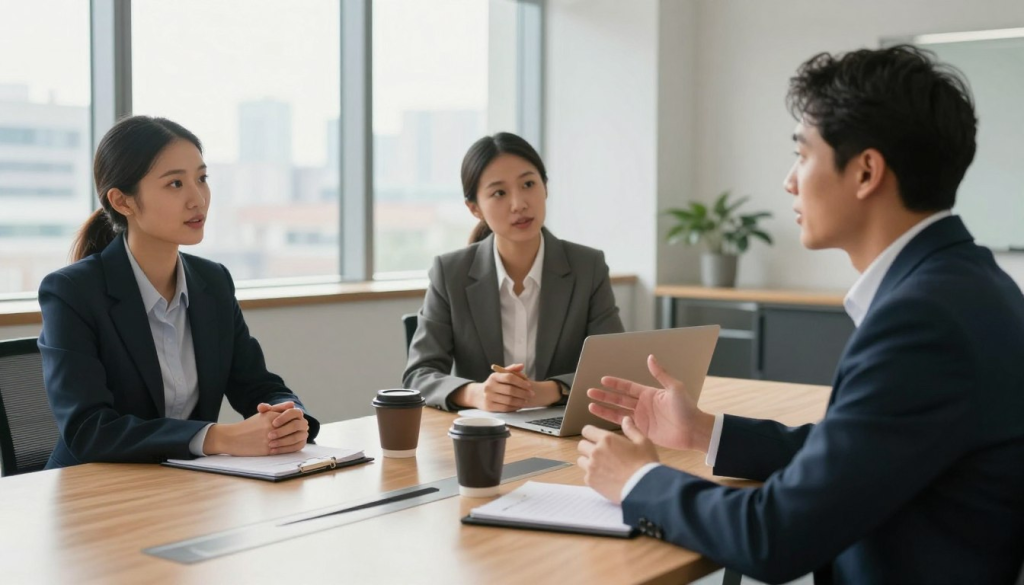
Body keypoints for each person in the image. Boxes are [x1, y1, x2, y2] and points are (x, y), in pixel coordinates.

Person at [577, 46, 1024, 583]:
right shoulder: (969, 285)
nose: (790, 181)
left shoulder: (923, 322)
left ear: (865, 172)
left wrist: (637, 481)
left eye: (803, 155)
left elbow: (774, 536)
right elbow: (856, 450)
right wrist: (702, 430)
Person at [38, 116, 320, 469]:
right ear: (123, 202)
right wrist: (217, 437)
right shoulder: (72, 292)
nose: (197, 198)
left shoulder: (213, 282)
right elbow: (89, 430)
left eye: (201, 179)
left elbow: (257, 385)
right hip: (93, 492)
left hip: (185, 486)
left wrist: (289, 418)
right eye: (175, 184)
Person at [403, 132, 624, 412]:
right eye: (499, 193)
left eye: (528, 184)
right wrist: (475, 394)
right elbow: (418, 376)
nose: (519, 203)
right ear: (474, 208)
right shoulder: (450, 273)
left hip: (563, 429)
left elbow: (614, 367)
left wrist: (550, 390)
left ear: (545, 187)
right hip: (482, 433)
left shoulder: (587, 266)